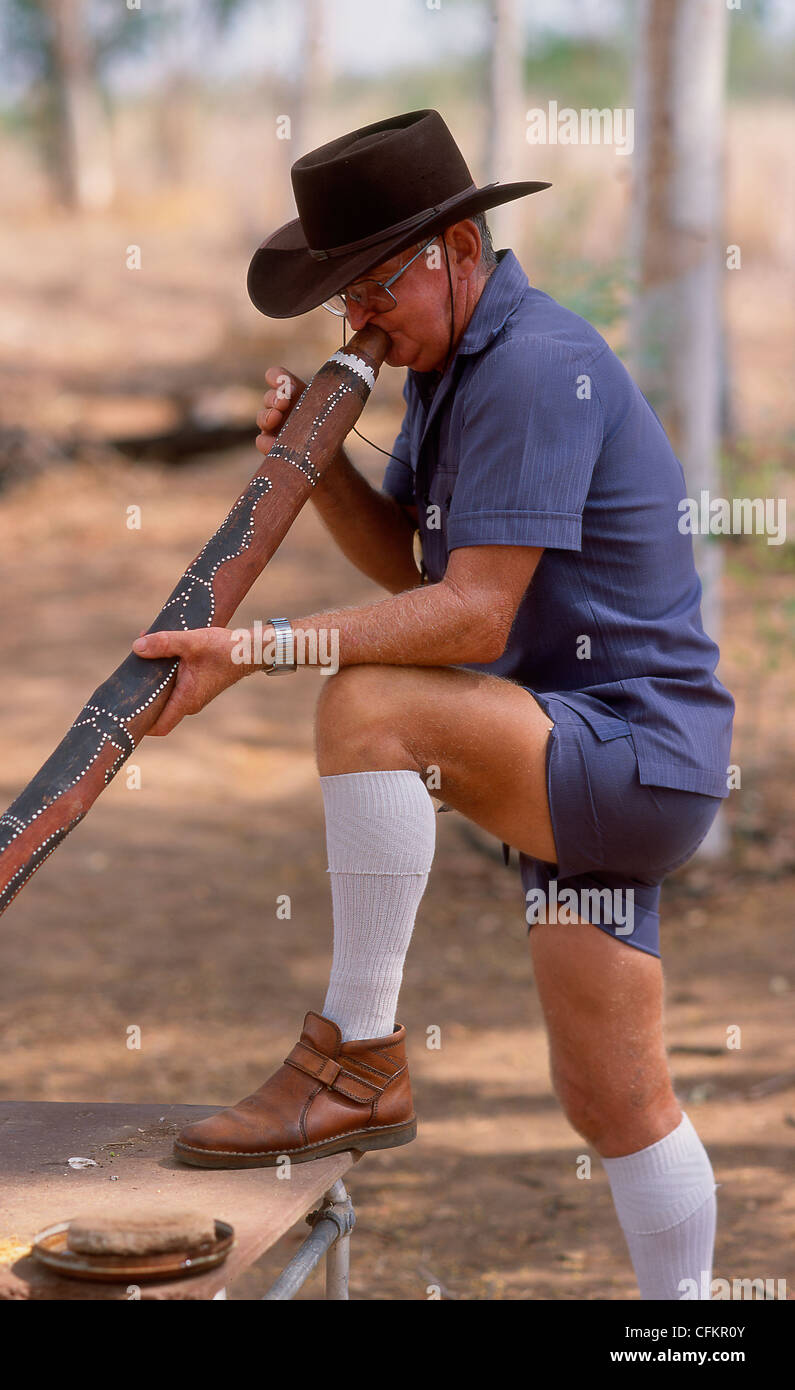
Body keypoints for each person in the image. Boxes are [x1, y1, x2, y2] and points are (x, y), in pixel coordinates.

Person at [130, 110, 734, 1300]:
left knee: (365, 705)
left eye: (374, 286)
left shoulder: (528, 364)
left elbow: (470, 622)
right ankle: (690, 1324)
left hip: (626, 751)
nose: (359, 319)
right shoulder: (451, 366)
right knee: (612, 1095)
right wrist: (315, 465)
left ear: (459, 248)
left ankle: (353, 1057)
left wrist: (259, 647)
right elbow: (417, 571)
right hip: (591, 752)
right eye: (342, 298)